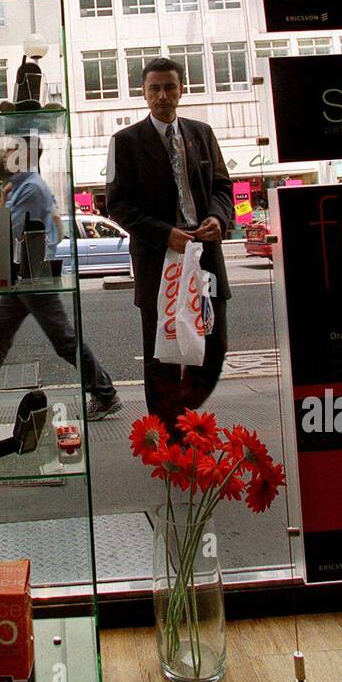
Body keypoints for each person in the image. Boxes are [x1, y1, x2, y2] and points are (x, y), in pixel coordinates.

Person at [0, 135, 121, 423]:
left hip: (34, 276)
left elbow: (8, 230)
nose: (3, 152)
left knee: (64, 341)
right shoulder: (24, 187)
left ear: (23, 155)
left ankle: (105, 394)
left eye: (9, 148)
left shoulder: (31, 189)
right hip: (23, 276)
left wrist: (0, 202)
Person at [106, 56, 233, 438]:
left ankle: (186, 414)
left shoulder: (202, 133)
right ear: (144, 94)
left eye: (169, 87)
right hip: (158, 258)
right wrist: (164, 233)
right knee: (162, 351)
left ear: (181, 89)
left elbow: (223, 186)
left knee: (214, 342)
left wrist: (218, 218)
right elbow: (118, 204)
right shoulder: (124, 142)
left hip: (205, 253)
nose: (162, 95)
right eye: (154, 88)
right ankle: (168, 434)